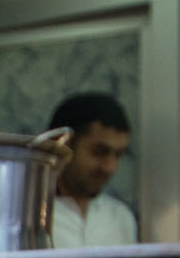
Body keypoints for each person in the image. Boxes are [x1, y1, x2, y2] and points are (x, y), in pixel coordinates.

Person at [47, 92, 137, 249]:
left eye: (118, 154)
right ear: (62, 147)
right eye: (99, 151)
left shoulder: (120, 218)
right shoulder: (31, 217)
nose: (110, 167)